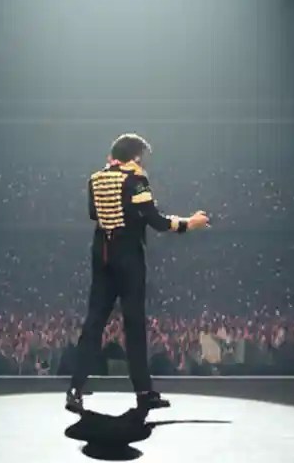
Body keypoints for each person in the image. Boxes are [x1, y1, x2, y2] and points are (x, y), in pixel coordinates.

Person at [66, 133, 209, 413]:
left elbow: (94, 214)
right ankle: (143, 392)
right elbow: (156, 221)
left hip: (102, 255)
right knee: (134, 326)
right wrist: (190, 223)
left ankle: (74, 389)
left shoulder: (95, 180)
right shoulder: (137, 180)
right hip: (129, 257)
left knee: (94, 323)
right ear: (134, 157)